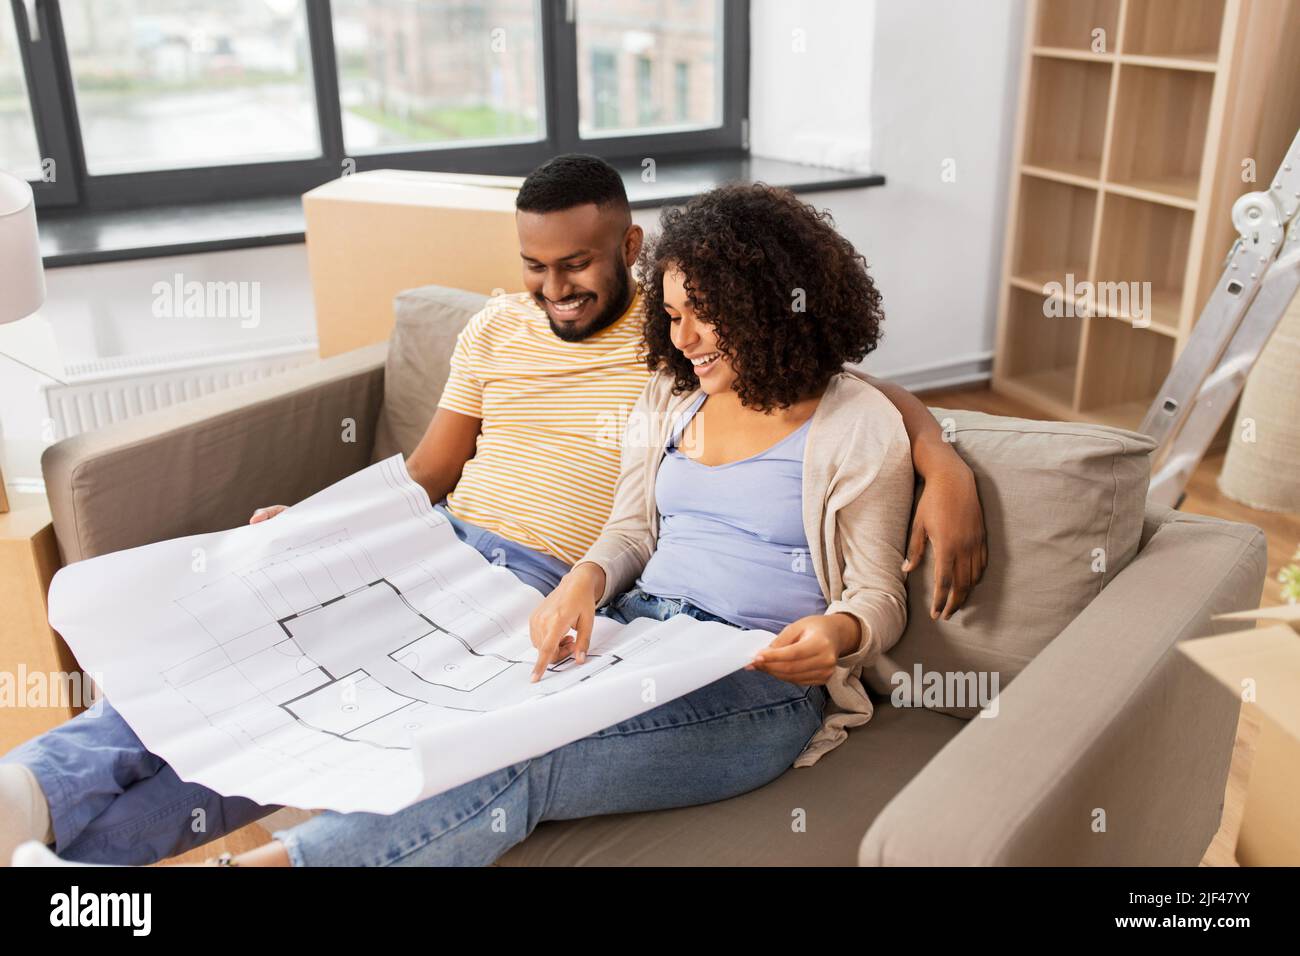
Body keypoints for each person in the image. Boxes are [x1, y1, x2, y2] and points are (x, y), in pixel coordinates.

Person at [2, 157, 985, 867]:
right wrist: (585, 579)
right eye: (672, 316)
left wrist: (854, 606)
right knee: (273, 680)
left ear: (764, 302)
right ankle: (39, 817)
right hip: (615, 630)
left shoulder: (845, 417)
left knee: (499, 753)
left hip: (747, 677)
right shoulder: (667, 384)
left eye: (698, 314)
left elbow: (868, 575)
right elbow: (625, 525)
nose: (679, 336)